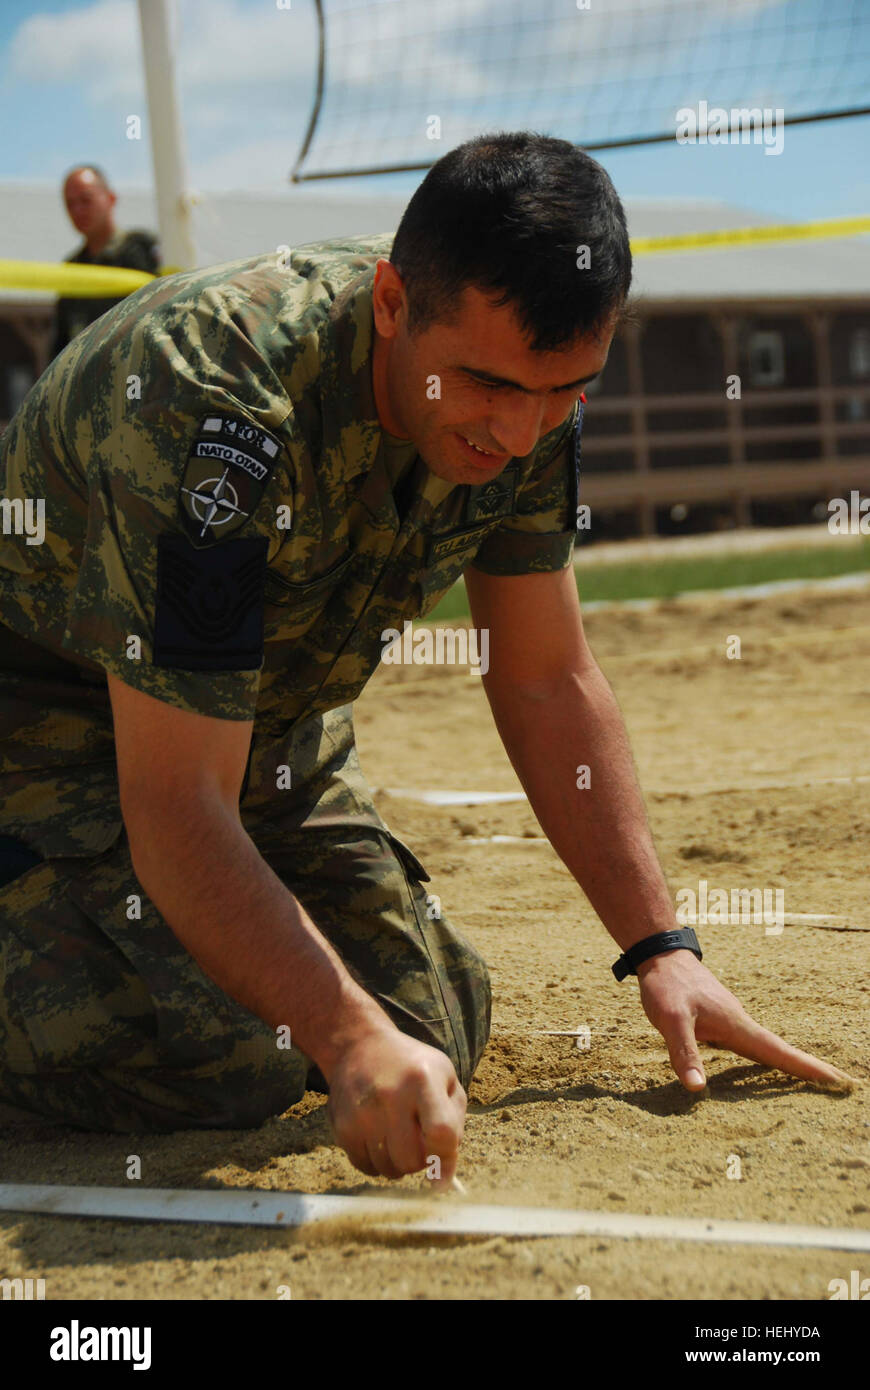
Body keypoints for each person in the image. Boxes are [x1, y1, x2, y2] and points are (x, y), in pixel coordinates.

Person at [0, 133, 849, 1188]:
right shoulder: (219, 407)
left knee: (437, 1018)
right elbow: (173, 802)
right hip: (45, 738)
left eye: (565, 392)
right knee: (230, 1056)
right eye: (489, 386)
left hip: (263, 730)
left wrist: (661, 944)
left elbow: (545, 674)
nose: (519, 432)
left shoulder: (527, 398)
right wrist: (344, 1039)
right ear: (393, 303)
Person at [51, 164, 160, 360]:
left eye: (86, 199)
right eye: (70, 203)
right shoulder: (71, 269)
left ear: (110, 198)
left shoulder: (140, 249)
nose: (77, 210)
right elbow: (62, 343)